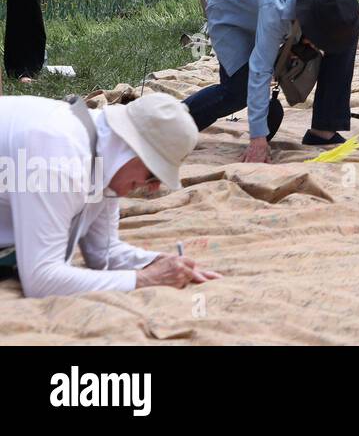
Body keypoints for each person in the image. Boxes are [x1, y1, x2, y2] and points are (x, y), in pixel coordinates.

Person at [0, 92, 221, 298]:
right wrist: (145, 279)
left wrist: (155, 262)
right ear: (132, 149)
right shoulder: (61, 161)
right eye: (153, 174)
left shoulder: (103, 151)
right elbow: (40, 281)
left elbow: (103, 252)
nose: (153, 188)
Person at [183, 0, 359, 162]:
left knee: (344, 31)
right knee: (238, 91)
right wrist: (258, 137)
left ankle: (324, 130)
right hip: (229, 8)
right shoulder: (275, 8)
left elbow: (341, 22)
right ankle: (170, 124)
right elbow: (260, 69)